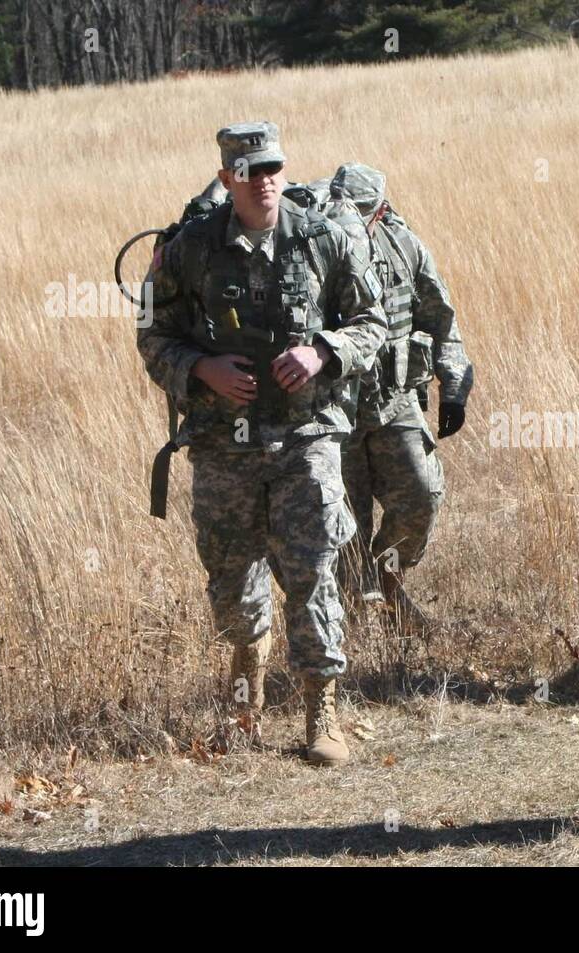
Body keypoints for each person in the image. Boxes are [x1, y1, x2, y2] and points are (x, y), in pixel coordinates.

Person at [137, 121, 387, 766]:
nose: (264, 180)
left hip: (307, 436)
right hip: (224, 443)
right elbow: (153, 336)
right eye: (249, 171)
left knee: (312, 571)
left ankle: (320, 708)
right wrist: (200, 369)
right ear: (227, 179)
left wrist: (323, 352)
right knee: (231, 580)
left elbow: (373, 323)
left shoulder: (324, 237)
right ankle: (247, 664)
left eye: (272, 166)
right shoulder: (190, 249)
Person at [328, 163, 474, 631]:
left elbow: (441, 319)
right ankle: (354, 621)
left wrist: (453, 385)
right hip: (335, 411)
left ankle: (388, 581)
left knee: (421, 494)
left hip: (394, 401)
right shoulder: (316, 250)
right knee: (343, 520)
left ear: (381, 208)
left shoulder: (403, 245)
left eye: (365, 210)